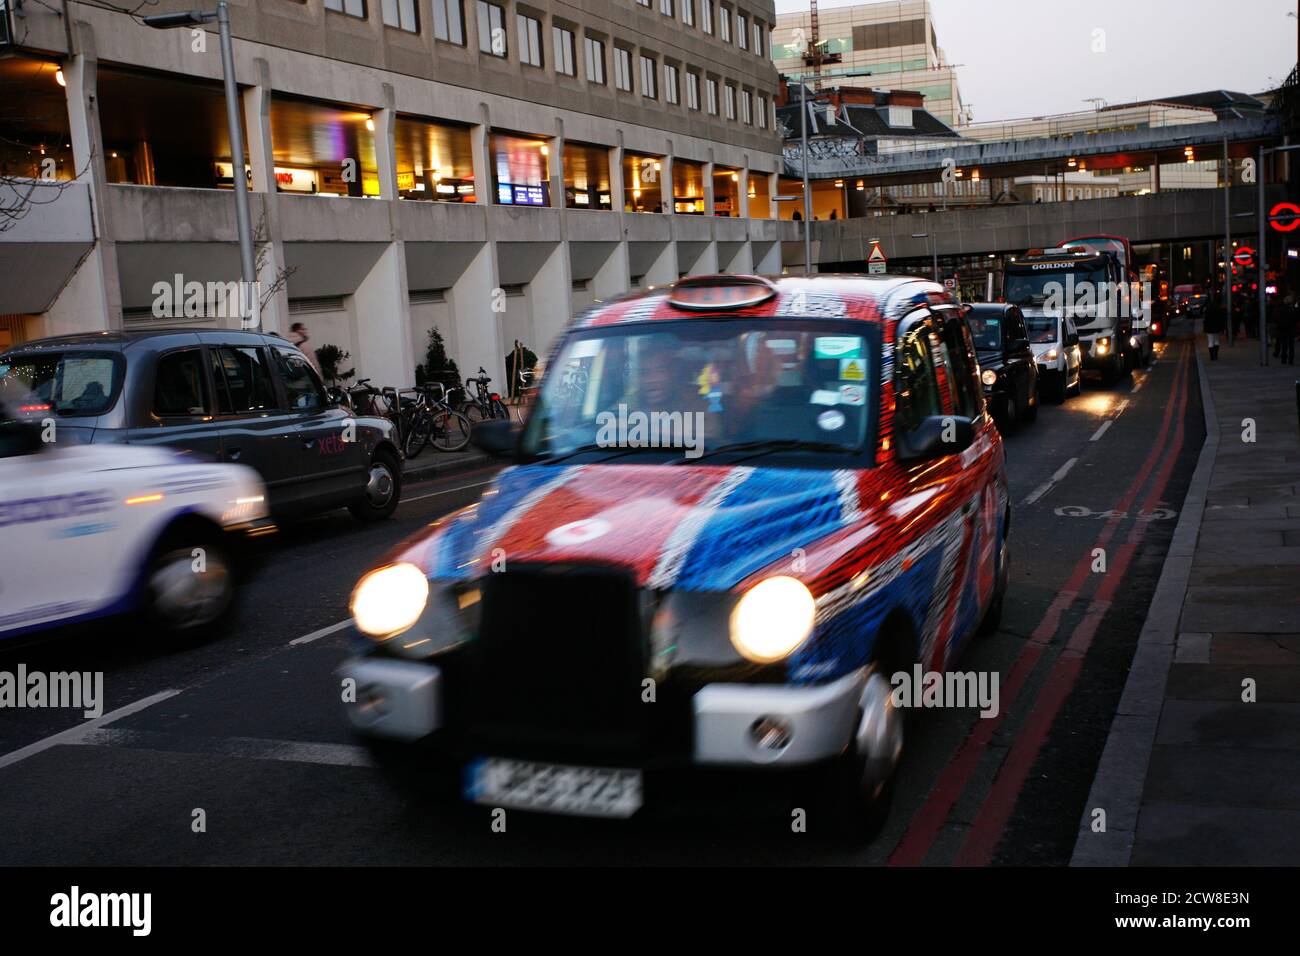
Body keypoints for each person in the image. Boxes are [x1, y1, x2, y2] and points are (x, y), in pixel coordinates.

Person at [1279, 294, 1298, 365]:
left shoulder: (1282, 308)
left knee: (1285, 344)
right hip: (1289, 327)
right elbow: (1295, 317)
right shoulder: (1292, 308)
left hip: (1284, 328)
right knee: (1290, 344)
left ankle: (1284, 359)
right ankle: (1290, 359)